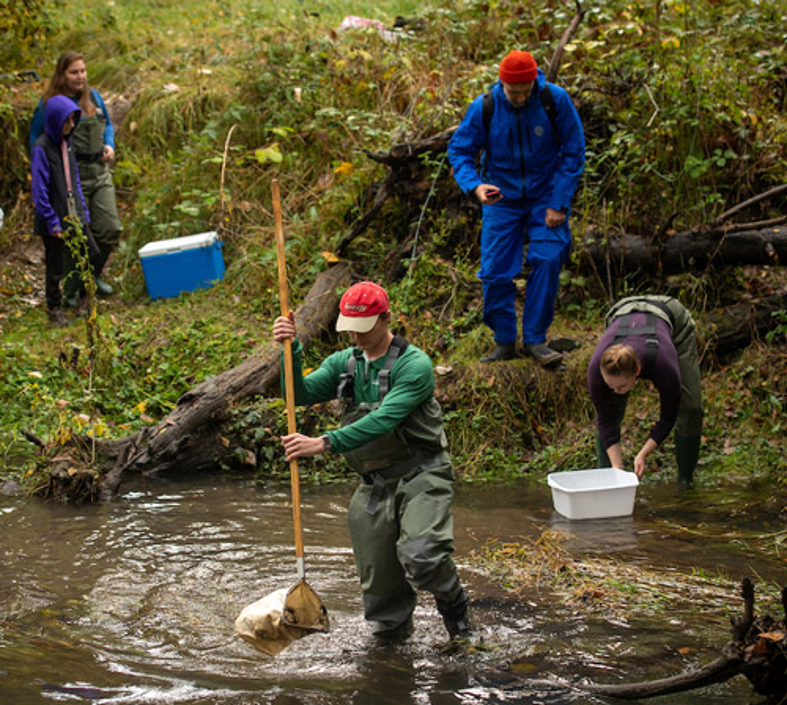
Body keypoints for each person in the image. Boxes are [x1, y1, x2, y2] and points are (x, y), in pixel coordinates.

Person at [272, 281, 472, 642]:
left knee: (422, 555)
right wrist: (291, 349)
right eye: (350, 328)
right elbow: (297, 394)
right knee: (379, 582)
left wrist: (324, 442)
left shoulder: (415, 365)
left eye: (364, 328)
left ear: (386, 318)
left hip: (421, 473)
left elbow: (385, 420)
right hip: (374, 483)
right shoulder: (344, 364)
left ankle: (456, 613)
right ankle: (391, 647)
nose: (356, 336)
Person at [447, 50, 585, 365]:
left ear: (534, 81)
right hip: (502, 199)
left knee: (548, 259)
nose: (521, 97)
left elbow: (574, 150)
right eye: (514, 91)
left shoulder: (554, 99)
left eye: (526, 90)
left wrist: (559, 202)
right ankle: (505, 341)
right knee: (495, 272)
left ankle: (536, 340)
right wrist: (476, 185)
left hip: (546, 197)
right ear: (502, 83)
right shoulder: (485, 107)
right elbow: (459, 151)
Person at [30, 51, 121, 305]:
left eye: (83, 71)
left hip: (99, 171)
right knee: (73, 235)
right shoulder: (49, 104)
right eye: (74, 72)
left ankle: (89, 278)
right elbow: (37, 140)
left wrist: (109, 144)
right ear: (62, 74)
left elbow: (109, 124)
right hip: (70, 174)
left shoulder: (94, 97)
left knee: (109, 228)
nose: (80, 76)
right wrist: (42, 180)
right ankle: (71, 288)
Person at [587, 295, 703, 484]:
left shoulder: (663, 364)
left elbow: (668, 417)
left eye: (622, 386)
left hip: (670, 314)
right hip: (622, 310)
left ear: (638, 372)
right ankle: (607, 479)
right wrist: (617, 468)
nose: (616, 390)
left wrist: (642, 454)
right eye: (611, 386)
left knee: (690, 408)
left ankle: (685, 481)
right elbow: (605, 420)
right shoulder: (596, 370)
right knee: (611, 408)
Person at [30, 95, 94, 326]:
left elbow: (74, 180)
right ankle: (54, 308)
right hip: (53, 215)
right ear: (56, 120)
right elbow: (39, 190)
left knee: (87, 252)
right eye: (67, 121)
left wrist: (82, 211)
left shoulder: (68, 145)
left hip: (72, 211)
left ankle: (82, 299)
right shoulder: (42, 148)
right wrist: (51, 221)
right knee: (55, 264)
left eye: (73, 120)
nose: (71, 125)